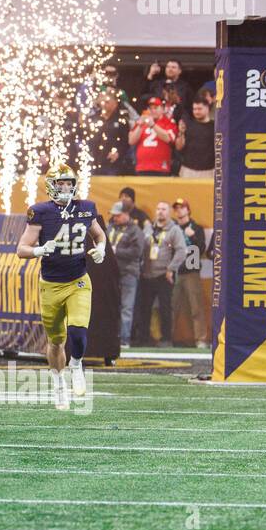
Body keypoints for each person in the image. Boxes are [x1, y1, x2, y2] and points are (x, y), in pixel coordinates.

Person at [16, 164, 106, 407]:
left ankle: (76, 364)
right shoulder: (40, 211)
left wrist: (101, 249)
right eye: (60, 184)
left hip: (78, 280)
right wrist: (39, 250)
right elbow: (21, 249)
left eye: (68, 183)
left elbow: (98, 234)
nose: (65, 187)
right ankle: (58, 383)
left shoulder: (86, 208)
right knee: (56, 341)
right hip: (51, 284)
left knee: (77, 331)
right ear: (51, 186)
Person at [132, 201, 186, 346]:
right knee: (144, 309)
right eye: (158, 209)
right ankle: (143, 339)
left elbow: (182, 251)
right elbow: (141, 247)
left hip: (164, 275)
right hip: (146, 275)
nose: (160, 211)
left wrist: (171, 268)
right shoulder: (148, 228)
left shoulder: (174, 230)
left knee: (165, 309)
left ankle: (166, 339)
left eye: (163, 209)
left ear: (168, 213)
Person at [170, 199, 208, 348]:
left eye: (182, 207)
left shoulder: (196, 228)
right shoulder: (172, 228)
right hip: (175, 271)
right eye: (177, 208)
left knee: (196, 307)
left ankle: (201, 339)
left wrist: (192, 236)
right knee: (172, 307)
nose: (179, 210)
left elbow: (202, 249)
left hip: (191, 272)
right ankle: (168, 337)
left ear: (188, 210)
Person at [107, 203, 145, 347]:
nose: (114, 217)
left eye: (118, 215)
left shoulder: (136, 231)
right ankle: (110, 337)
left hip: (128, 272)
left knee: (126, 308)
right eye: (114, 215)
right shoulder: (109, 228)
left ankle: (124, 339)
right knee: (110, 306)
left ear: (126, 214)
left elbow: (137, 252)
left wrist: (117, 251)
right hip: (111, 273)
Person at [130, 97, 178, 175]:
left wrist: (153, 125)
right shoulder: (142, 122)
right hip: (142, 167)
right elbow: (131, 141)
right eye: (150, 108)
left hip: (161, 168)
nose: (153, 110)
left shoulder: (168, 123)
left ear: (162, 109)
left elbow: (169, 139)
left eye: (156, 108)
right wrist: (140, 126)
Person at [176, 98, 215, 177]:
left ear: (207, 108)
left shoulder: (215, 126)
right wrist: (181, 132)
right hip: (188, 170)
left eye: (199, 109)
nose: (196, 111)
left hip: (209, 171)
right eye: (194, 109)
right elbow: (179, 147)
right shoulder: (187, 125)